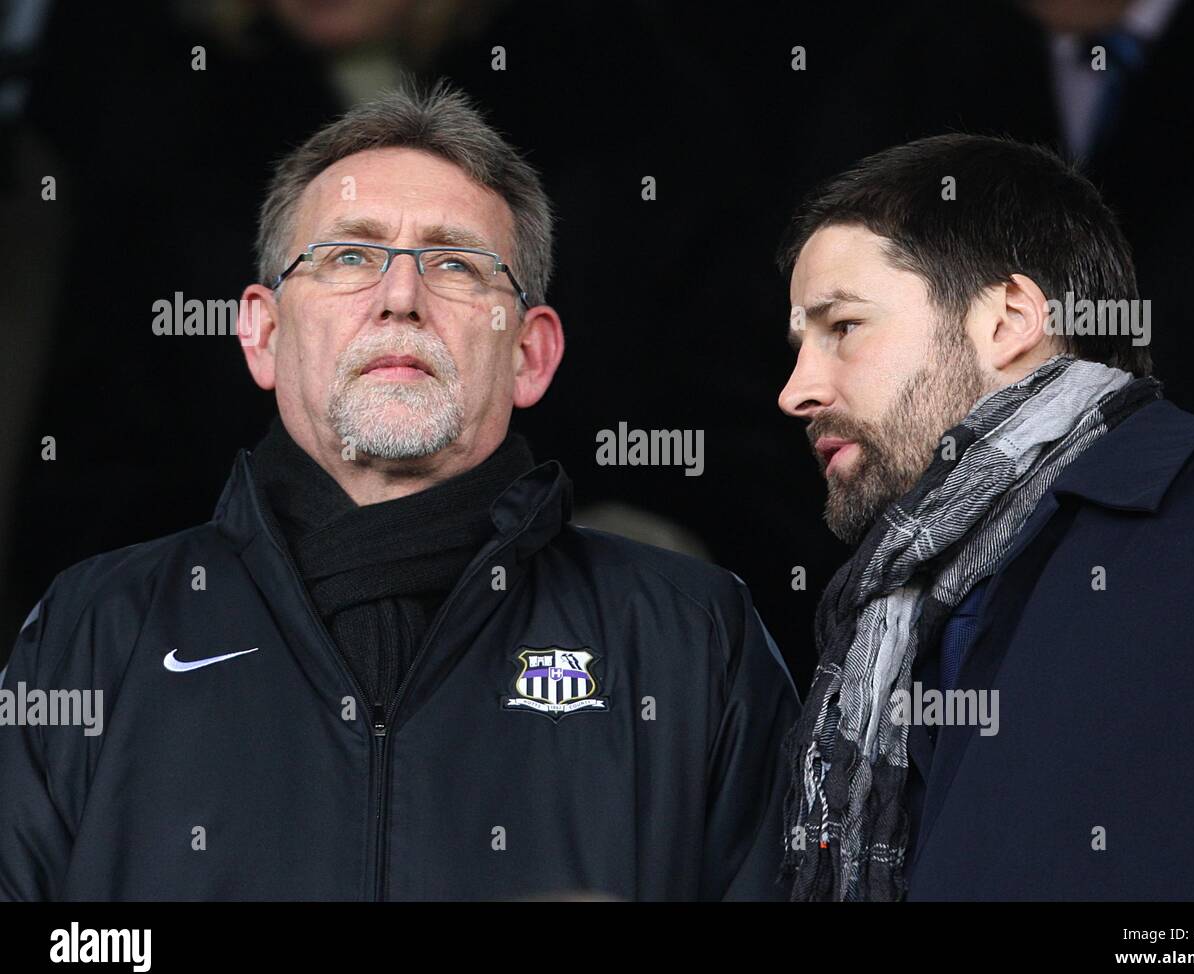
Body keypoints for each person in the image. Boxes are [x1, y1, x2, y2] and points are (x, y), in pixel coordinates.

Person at [0, 81, 798, 901]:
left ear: (530, 354)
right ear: (263, 333)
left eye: (456, 263)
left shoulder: (691, 639)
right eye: (351, 255)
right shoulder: (94, 632)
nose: (401, 297)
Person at [775, 133, 1194, 900]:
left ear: (1010, 318)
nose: (796, 391)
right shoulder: (884, 615)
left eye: (842, 327)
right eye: (798, 345)